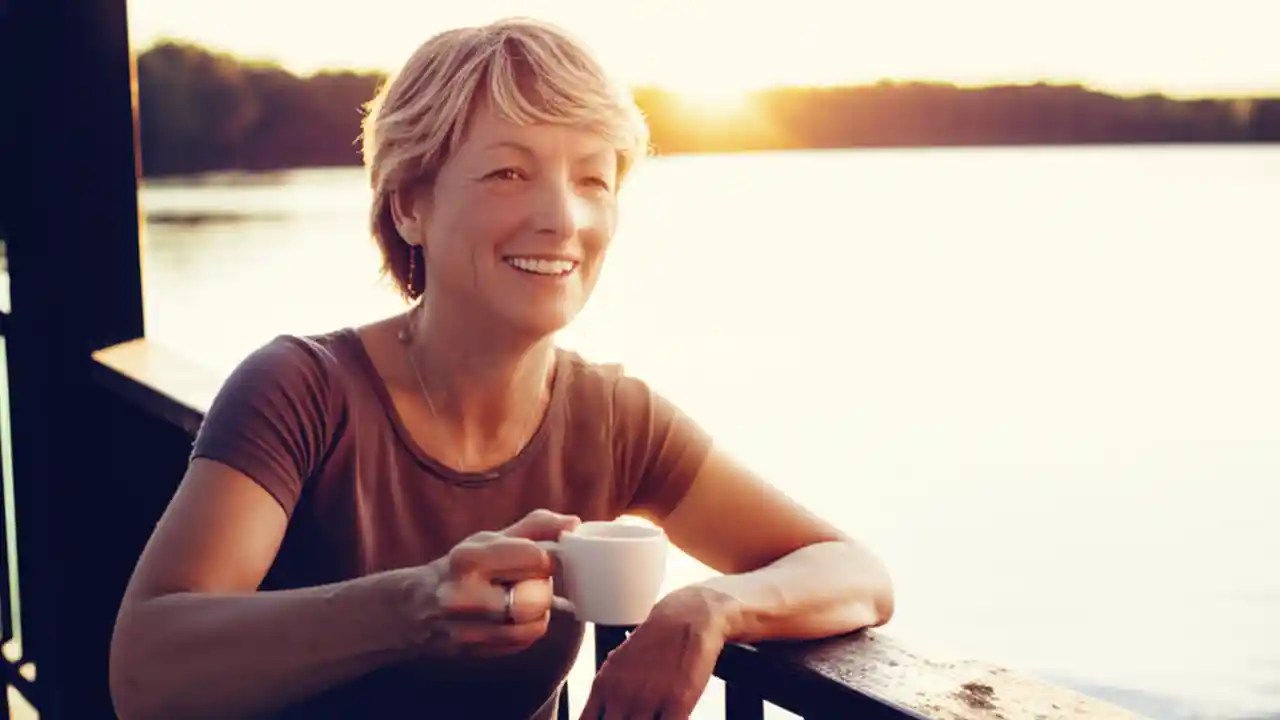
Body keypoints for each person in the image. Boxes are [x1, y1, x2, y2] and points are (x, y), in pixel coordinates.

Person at [108, 16, 894, 720]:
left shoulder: (612, 416)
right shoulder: (302, 390)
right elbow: (145, 670)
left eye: (593, 177)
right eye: (509, 173)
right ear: (410, 205)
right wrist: (414, 606)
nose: (563, 217)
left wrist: (710, 608)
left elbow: (854, 572)